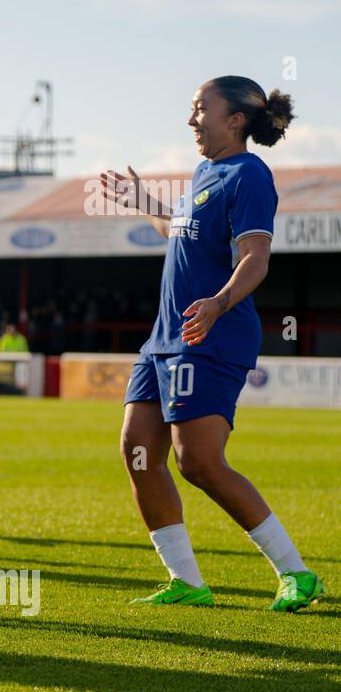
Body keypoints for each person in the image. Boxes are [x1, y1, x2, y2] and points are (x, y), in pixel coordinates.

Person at [101, 75, 325, 612]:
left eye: (201, 108)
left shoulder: (249, 175)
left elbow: (255, 257)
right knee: (138, 453)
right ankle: (186, 581)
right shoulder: (206, 173)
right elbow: (177, 233)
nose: (191, 118)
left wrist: (218, 303)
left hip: (211, 335)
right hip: (164, 339)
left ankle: (296, 573)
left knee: (198, 462)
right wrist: (144, 203)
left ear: (236, 120)